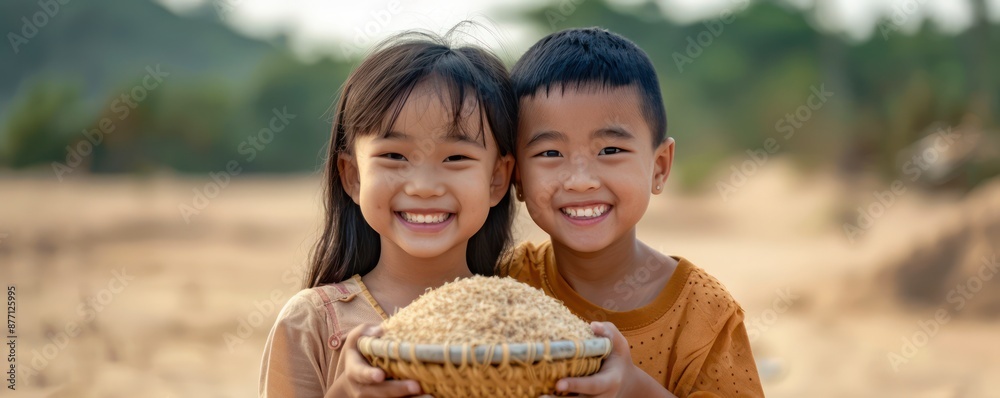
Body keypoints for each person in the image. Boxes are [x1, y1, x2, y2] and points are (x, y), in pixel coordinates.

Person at [506, 27, 765, 397]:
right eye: (550, 153)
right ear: (516, 177)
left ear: (659, 167)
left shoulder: (704, 314)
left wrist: (633, 388)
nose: (581, 181)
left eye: (610, 150)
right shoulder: (505, 284)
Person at [258, 30, 517, 398]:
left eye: (456, 157)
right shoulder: (312, 323)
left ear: (496, 179)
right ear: (352, 176)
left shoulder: (525, 321)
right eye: (394, 156)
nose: (423, 186)